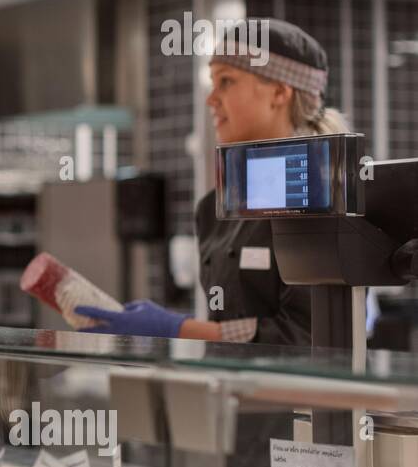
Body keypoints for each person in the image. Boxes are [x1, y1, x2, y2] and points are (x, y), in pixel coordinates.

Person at [78, 18, 349, 345]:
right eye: (213, 83)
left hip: (304, 396)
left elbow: (312, 337)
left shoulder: (318, 198)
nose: (211, 99)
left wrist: (177, 329)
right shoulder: (213, 208)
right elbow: (225, 322)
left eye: (226, 82)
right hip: (229, 391)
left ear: (279, 92)